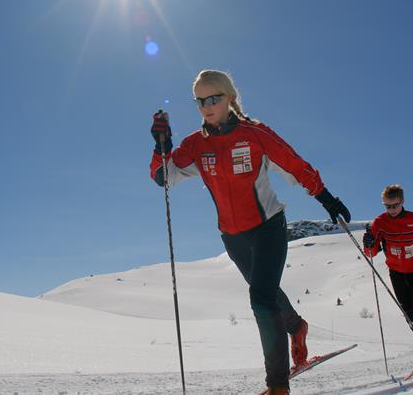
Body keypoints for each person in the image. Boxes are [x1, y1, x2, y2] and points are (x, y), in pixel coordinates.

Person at [149, 69, 351, 394]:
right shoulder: (195, 145)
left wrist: (326, 197)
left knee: (260, 298)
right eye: (200, 101)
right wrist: (163, 145)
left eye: (213, 98)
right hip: (232, 236)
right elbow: (164, 177)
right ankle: (296, 327)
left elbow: (294, 164)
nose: (206, 106)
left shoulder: (255, 133)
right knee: (265, 291)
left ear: (229, 97)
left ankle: (278, 386)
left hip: (268, 226)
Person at [363, 184, 413, 382]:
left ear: (402, 203)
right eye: (387, 206)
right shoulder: (380, 223)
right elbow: (371, 252)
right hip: (396, 273)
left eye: (394, 205)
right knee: (410, 317)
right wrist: (368, 241)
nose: (390, 210)